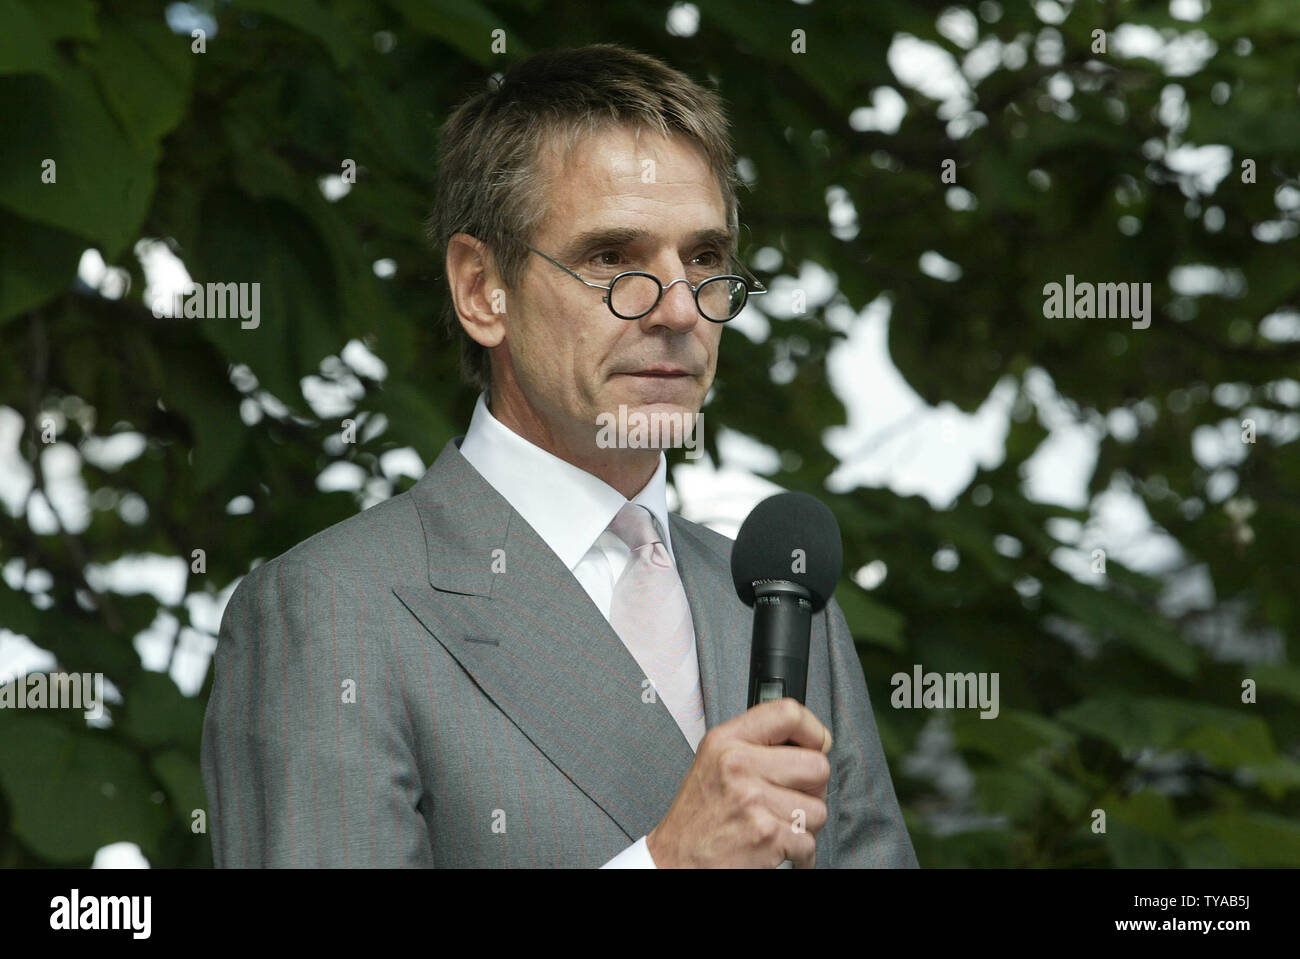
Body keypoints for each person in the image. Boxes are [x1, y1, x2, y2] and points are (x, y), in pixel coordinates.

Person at [200, 42, 917, 869]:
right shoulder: (333, 609)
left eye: (705, 260)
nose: (680, 310)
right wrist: (662, 864)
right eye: (612, 257)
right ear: (481, 290)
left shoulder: (780, 602)